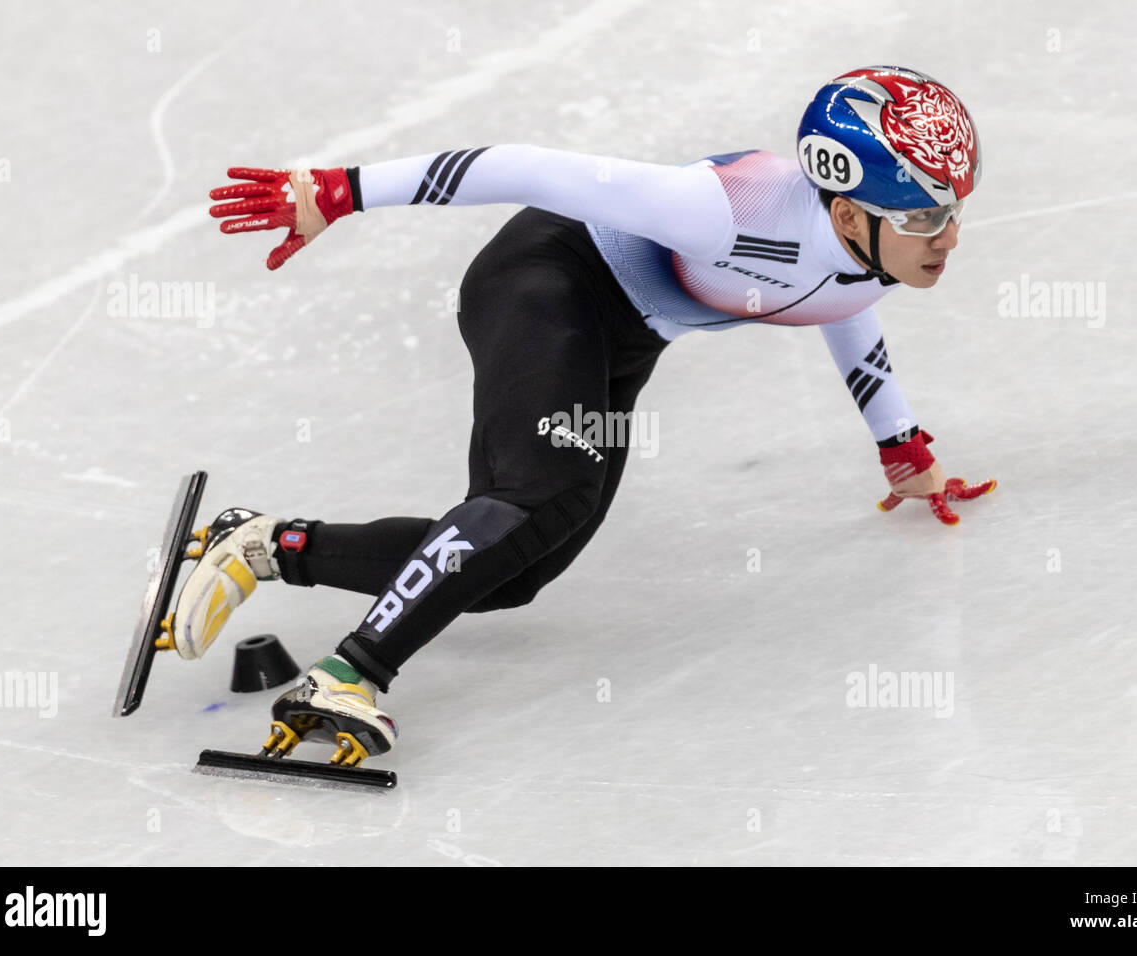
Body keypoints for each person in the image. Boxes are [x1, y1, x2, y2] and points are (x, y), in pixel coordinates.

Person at [168, 65, 996, 766]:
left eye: (954, 207)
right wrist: (340, 193)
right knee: (542, 493)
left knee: (516, 568)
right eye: (925, 215)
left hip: (623, 341)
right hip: (547, 281)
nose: (948, 234)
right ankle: (350, 674)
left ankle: (268, 546)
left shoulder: (874, 250)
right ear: (848, 211)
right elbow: (522, 167)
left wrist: (899, 444)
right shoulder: (722, 208)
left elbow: (840, 303)